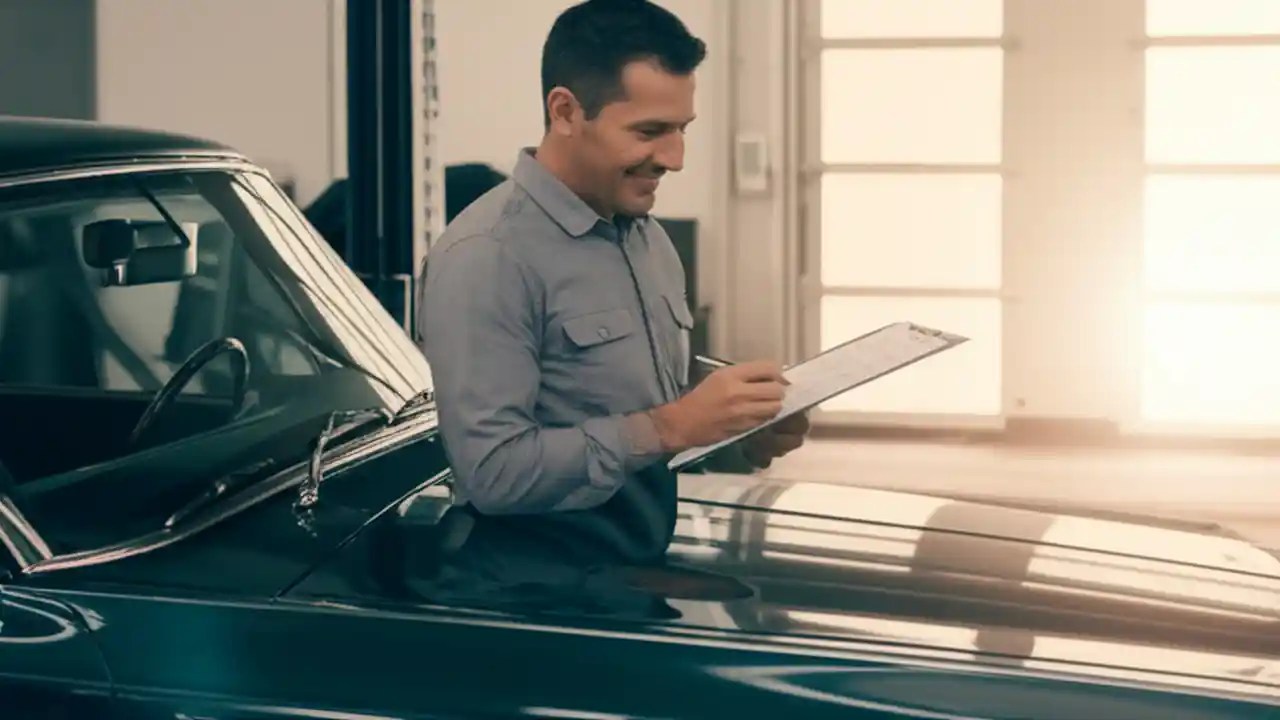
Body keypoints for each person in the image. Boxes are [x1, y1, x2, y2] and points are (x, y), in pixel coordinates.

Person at [417, 0, 808, 516]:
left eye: (682, 129)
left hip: (636, 567)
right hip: (536, 587)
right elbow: (495, 475)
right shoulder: (487, 259)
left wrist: (735, 430)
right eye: (649, 132)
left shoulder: (645, 238)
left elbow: (644, 426)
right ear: (565, 112)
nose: (675, 159)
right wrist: (674, 425)